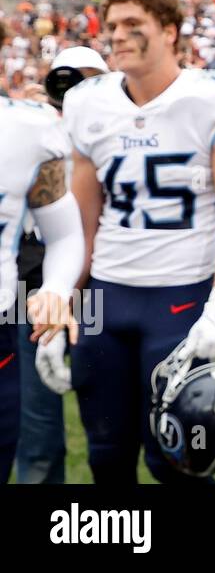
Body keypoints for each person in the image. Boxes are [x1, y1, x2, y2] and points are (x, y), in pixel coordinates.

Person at [63, 0, 215, 483]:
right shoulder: (88, 102)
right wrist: (65, 293)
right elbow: (82, 217)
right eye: (112, 27)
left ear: (170, 31)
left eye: (134, 25)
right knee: (106, 453)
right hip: (106, 296)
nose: (118, 36)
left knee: (176, 459)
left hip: (182, 296)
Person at [13, 45, 106, 484]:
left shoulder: (116, 129)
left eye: (89, 81)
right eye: (66, 81)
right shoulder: (34, 127)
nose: (75, 92)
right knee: (38, 426)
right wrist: (29, 119)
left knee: (110, 426)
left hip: (104, 286)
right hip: (37, 285)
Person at [0, 90, 84, 483]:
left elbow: (65, 232)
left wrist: (56, 289)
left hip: (14, 315)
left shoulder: (26, 129)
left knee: (32, 435)